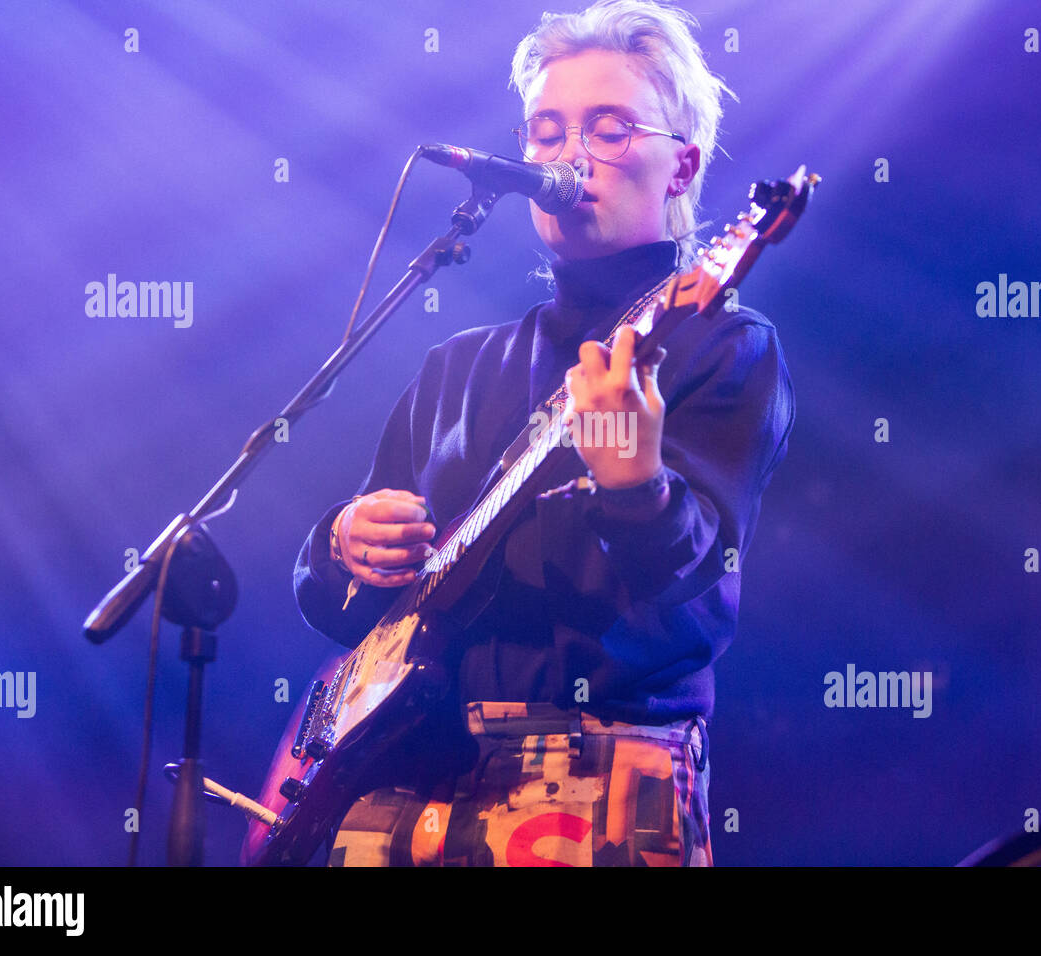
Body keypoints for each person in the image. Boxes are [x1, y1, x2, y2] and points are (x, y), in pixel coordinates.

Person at [293, 0, 795, 866]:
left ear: (682, 167)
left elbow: (694, 578)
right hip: (399, 772)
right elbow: (348, 606)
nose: (569, 154)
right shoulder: (457, 364)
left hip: (596, 770)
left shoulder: (719, 343)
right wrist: (342, 546)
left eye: (608, 127)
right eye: (547, 129)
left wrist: (635, 489)